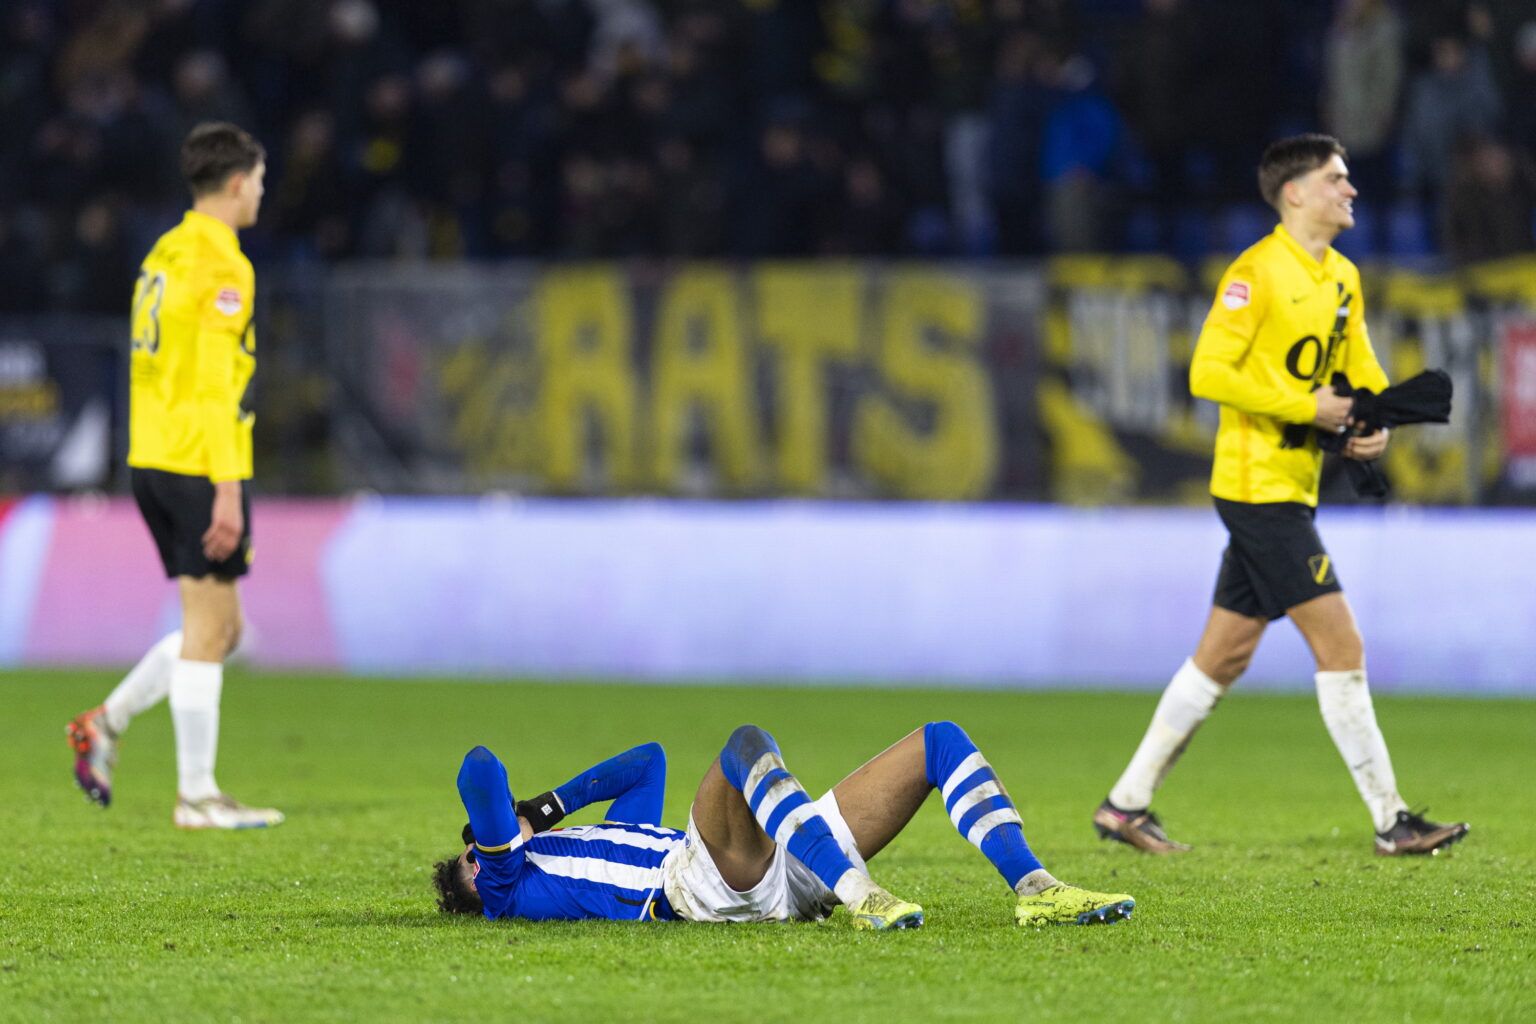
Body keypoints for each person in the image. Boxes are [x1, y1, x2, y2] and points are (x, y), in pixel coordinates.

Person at [1092, 134, 1469, 858]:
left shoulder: (1342, 279)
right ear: (1294, 193)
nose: (1350, 191)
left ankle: (1124, 806)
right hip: (1253, 488)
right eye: (1336, 179)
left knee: (1223, 655)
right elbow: (1208, 371)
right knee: (1342, 642)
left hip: (1293, 488)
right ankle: (1393, 821)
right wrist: (1308, 408)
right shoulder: (1255, 273)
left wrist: (1373, 426)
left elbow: (1360, 375)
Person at [66, 122, 283, 831]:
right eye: (257, 178)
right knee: (209, 628)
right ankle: (196, 797)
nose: (261, 190)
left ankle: (104, 722)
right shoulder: (224, 263)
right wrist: (228, 488)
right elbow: (219, 383)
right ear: (232, 182)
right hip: (197, 460)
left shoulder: (164, 250)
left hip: (152, 454)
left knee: (219, 628)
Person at [434, 721, 1135, 929]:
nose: (482, 852)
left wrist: (548, 809)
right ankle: (862, 895)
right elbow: (480, 767)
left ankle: (1036, 886)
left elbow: (646, 762)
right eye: (474, 859)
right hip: (697, 888)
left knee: (939, 743)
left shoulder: (583, 842)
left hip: (772, 863)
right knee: (743, 746)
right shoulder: (506, 886)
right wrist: (497, 832)